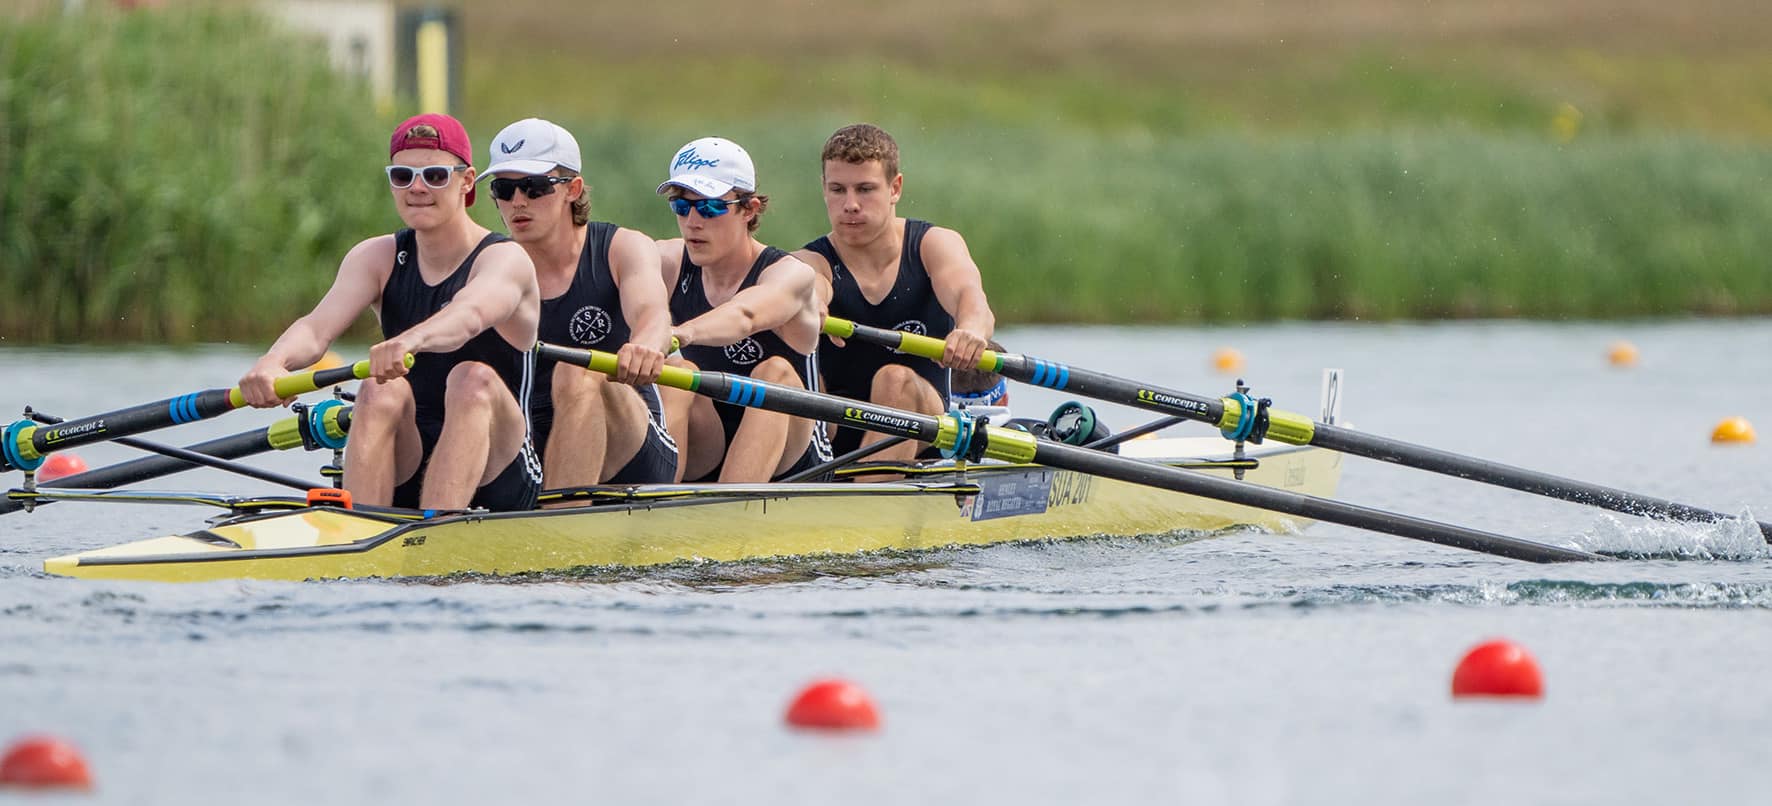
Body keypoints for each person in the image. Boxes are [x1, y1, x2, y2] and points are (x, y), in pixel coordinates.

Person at [238, 113, 542, 511]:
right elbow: (316, 329)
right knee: (380, 386)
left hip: (501, 470)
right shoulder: (376, 256)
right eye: (403, 176)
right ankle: (358, 536)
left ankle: (434, 534)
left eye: (435, 176)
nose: (417, 188)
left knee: (472, 379)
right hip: (408, 458)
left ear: (467, 182)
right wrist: (273, 363)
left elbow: (468, 315)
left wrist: (408, 340)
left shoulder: (505, 259)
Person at [482, 118, 677, 496]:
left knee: (576, 372)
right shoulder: (488, 265)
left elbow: (652, 314)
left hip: (633, 446)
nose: (518, 202)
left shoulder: (622, 248)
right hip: (530, 443)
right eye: (504, 189)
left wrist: (648, 346)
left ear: (572, 188)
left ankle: (556, 528)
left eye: (534, 187)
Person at [794, 123, 996, 463]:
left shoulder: (933, 244)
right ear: (823, 189)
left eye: (865, 189)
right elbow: (810, 285)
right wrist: (809, 306)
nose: (851, 204)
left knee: (895, 379)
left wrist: (972, 331)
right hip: (834, 430)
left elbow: (969, 295)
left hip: (925, 426)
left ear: (895, 188)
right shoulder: (810, 261)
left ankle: (868, 499)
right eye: (838, 189)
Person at [654, 136, 831, 483]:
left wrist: (679, 333)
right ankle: (653, 506)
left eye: (709, 208)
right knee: (679, 372)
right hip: (709, 443)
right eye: (681, 206)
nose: (693, 221)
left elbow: (743, 316)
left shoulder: (789, 273)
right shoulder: (668, 261)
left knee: (776, 372)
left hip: (795, 460)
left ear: (749, 209)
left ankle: (726, 511)